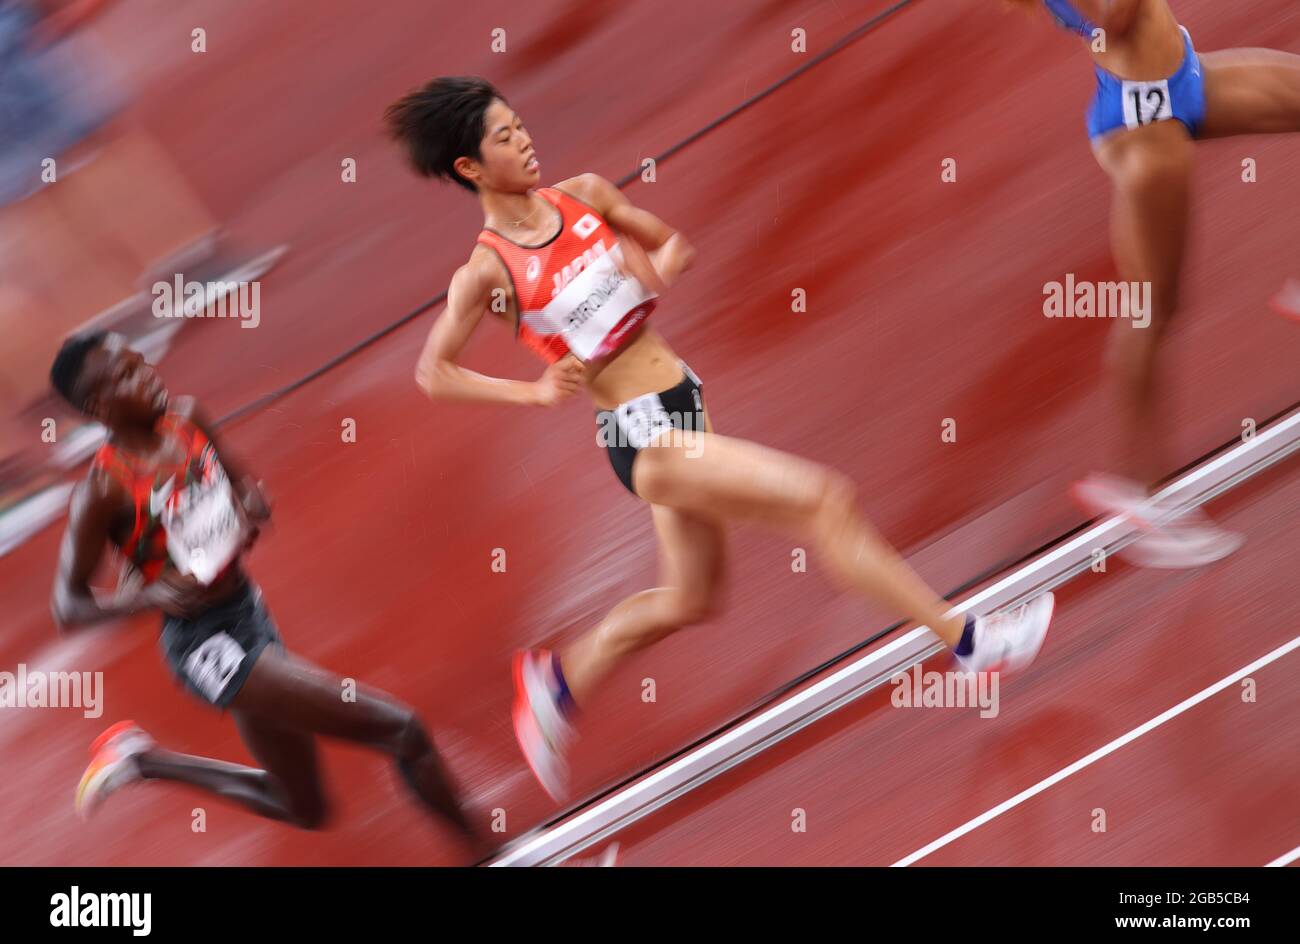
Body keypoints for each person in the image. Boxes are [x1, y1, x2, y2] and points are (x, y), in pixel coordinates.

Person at [386, 76, 1056, 802]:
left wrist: (659, 268)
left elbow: (672, 246)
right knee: (825, 500)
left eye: (521, 125)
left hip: (683, 401)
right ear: (471, 169)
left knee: (693, 597)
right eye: (505, 137)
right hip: (644, 440)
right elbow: (434, 372)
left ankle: (558, 682)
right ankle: (968, 642)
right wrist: (536, 391)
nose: (525, 140)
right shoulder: (487, 274)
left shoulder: (583, 194)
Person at [48, 332, 484, 858]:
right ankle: (492, 853)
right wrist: (149, 596)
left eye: (142, 363)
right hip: (205, 646)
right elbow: (67, 606)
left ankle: (142, 761)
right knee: (403, 731)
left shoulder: (187, 418)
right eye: (128, 376)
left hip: (248, 611)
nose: (148, 375)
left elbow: (243, 485)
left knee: (303, 805)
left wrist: (250, 507)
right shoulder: (103, 490)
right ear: (100, 406)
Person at [1017, 0, 1300, 566]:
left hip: (1183, 78)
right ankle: (1133, 490)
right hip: (1147, 128)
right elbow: (1116, 16)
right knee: (1154, 308)